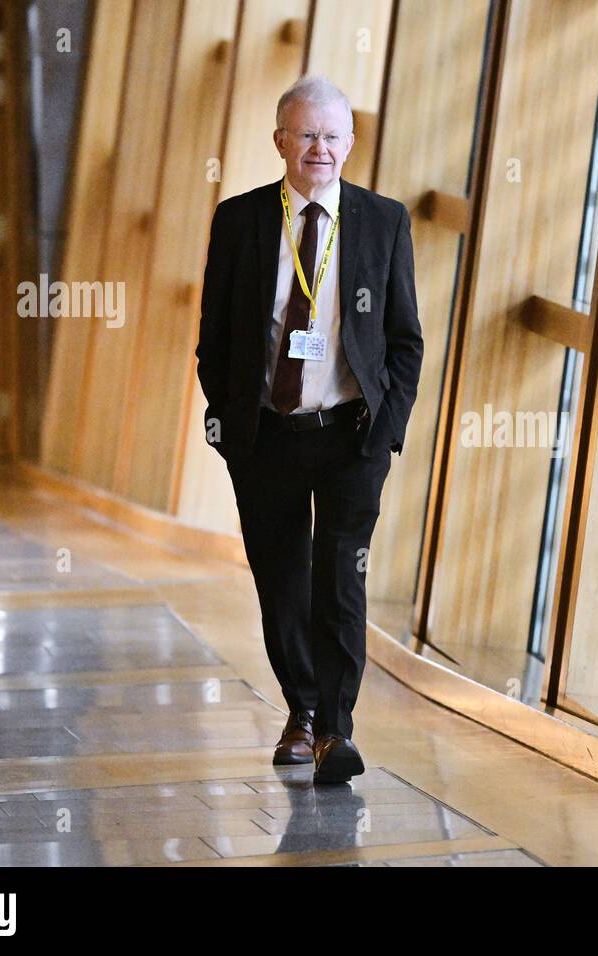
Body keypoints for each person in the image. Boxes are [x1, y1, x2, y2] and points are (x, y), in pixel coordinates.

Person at [195, 75, 423, 784]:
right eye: (306, 134)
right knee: (282, 580)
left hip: (351, 433)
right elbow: (215, 340)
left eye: (332, 136)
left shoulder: (384, 222)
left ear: (350, 144)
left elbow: (404, 340)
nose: (319, 148)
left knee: (340, 577)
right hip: (266, 436)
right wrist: (234, 427)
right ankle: (303, 709)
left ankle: (335, 730)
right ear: (280, 142)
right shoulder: (239, 221)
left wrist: (385, 430)